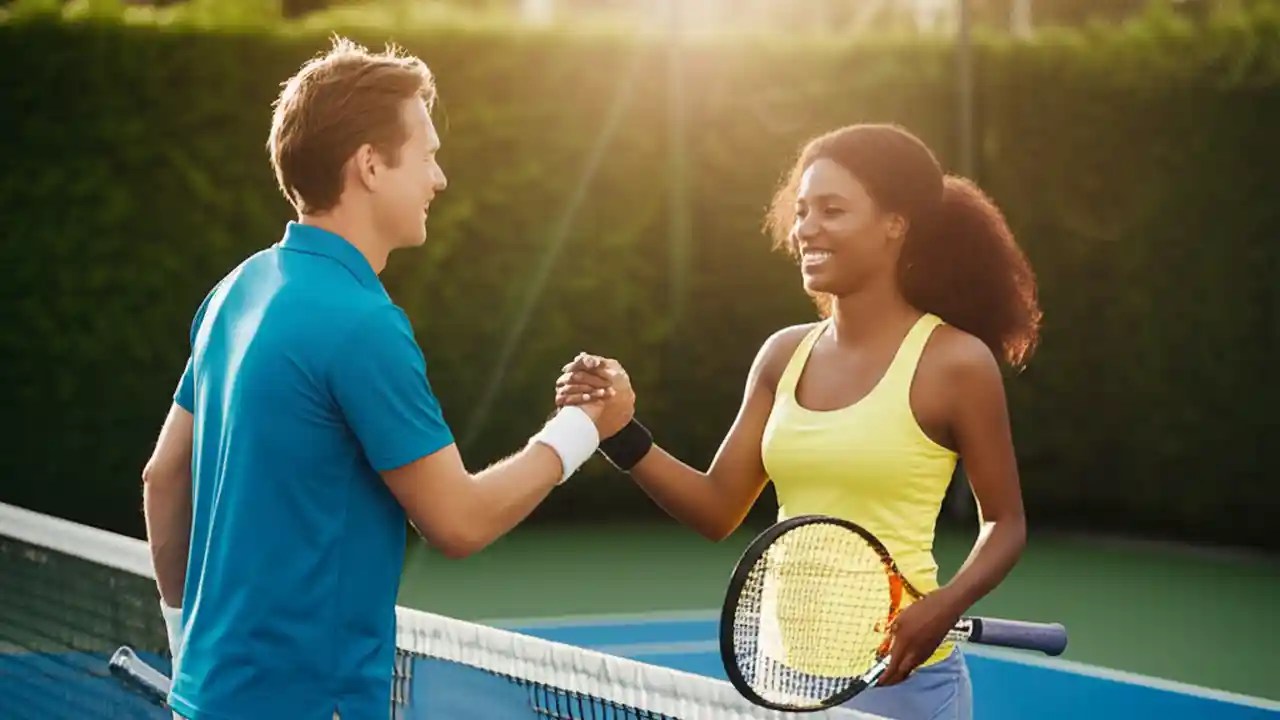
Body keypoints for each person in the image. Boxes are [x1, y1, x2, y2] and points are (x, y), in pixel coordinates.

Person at [140, 38, 631, 720]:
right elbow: (457, 522)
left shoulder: (237, 290)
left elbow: (163, 477)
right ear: (370, 165)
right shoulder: (362, 324)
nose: (440, 179)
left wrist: (182, 641)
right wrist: (583, 428)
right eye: (427, 155)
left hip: (202, 697)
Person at [554, 123, 1041, 720]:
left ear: (896, 224)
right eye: (803, 210)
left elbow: (1005, 522)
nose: (807, 228)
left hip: (902, 690)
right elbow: (716, 508)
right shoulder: (783, 355)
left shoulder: (956, 363)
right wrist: (620, 433)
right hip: (781, 680)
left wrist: (945, 603)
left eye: (832, 210)